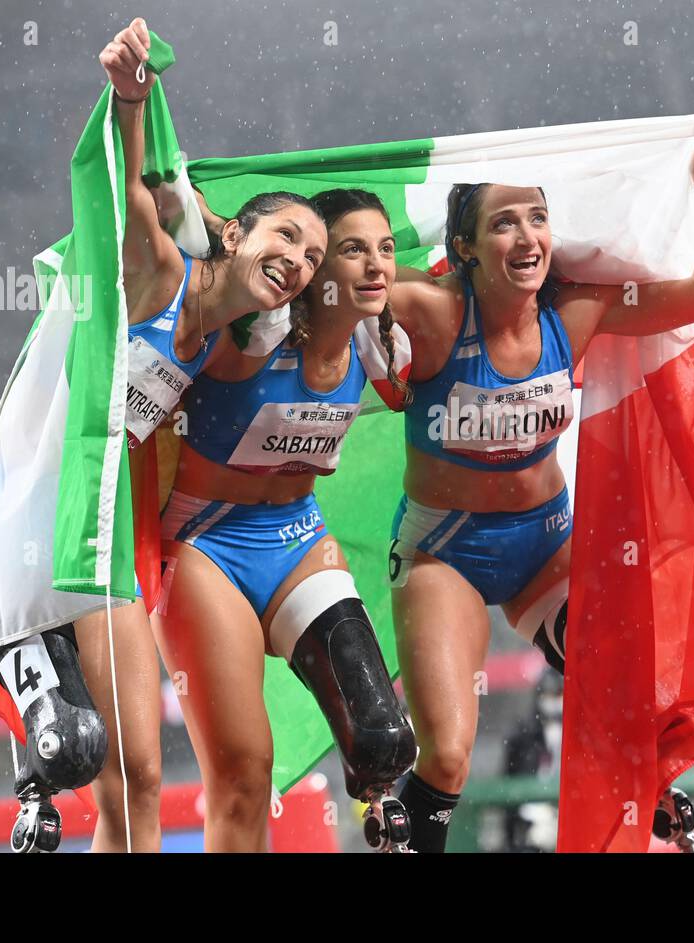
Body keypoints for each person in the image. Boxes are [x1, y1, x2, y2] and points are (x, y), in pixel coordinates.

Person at [0, 17, 329, 852]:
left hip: (122, 539)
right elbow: (128, 198)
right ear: (236, 232)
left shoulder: (221, 341)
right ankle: (34, 711)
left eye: (315, 255)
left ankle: (42, 721)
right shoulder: (162, 275)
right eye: (287, 234)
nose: (301, 259)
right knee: (111, 771)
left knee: (136, 783)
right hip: (62, 519)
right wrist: (130, 99)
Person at [384, 117, 694, 851]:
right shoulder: (431, 312)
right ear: (464, 247)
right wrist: (223, 228)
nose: (527, 239)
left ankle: (649, 822)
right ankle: (408, 835)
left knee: (637, 714)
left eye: (539, 218)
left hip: (547, 544)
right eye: (504, 223)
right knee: (447, 756)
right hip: (445, 553)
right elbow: (331, 274)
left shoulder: (578, 310)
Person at [152, 188, 417, 852]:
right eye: (351, 250)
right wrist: (193, 204)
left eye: (384, 249)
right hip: (205, 541)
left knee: (384, 740)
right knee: (243, 774)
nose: (376, 265)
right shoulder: (252, 331)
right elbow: (198, 252)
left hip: (298, 537)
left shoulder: (382, 341)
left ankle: (383, 820)